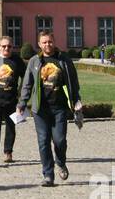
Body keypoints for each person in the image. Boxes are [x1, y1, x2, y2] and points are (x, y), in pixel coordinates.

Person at [18, 30, 83, 187]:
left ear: (54, 42)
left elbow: (73, 82)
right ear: (39, 44)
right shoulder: (35, 61)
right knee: (43, 141)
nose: (48, 44)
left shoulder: (64, 60)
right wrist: (22, 102)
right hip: (40, 109)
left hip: (59, 108)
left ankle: (60, 162)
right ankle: (48, 174)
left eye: (50, 41)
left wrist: (76, 100)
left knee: (60, 140)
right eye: (44, 42)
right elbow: (27, 83)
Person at [0, 36, 25, 166]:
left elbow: (26, 77)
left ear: (12, 47)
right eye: (4, 46)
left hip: (12, 99)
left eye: (9, 46)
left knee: (10, 126)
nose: (7, 48)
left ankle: (8, 152)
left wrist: (20, 90)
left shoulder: (17, 61)